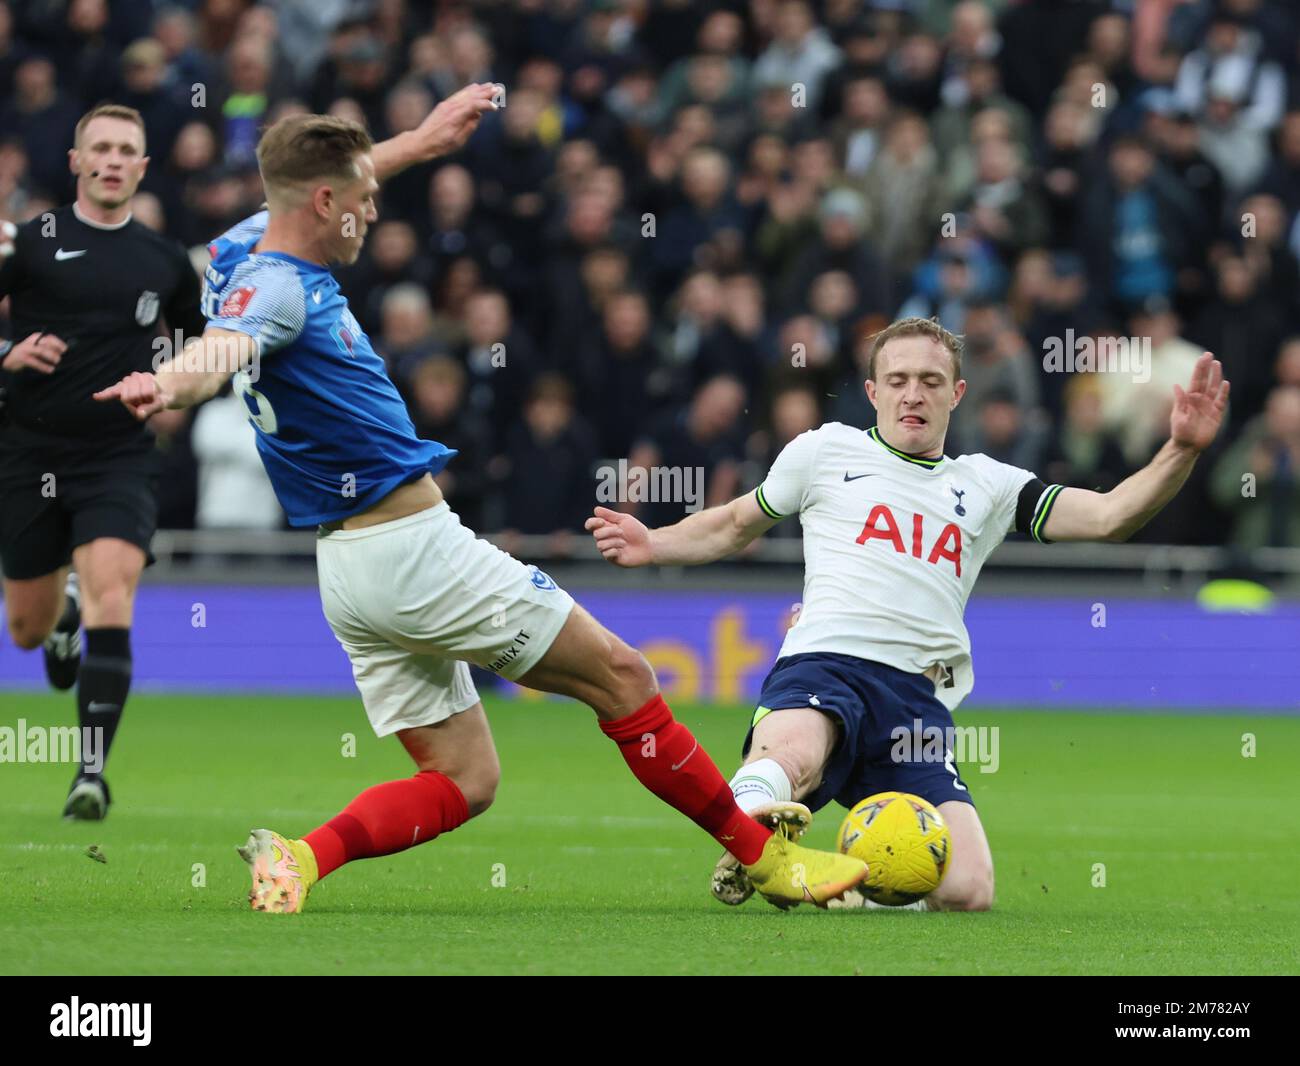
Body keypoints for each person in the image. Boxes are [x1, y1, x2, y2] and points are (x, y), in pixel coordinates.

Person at [94, 88, 867, 915]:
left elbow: (307, 212)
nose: (371, 214)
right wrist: (169, 383)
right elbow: (221, 352)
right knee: (623, 675)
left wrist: (422, 142)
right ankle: (765, 859)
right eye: (362, 202)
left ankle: (299, 860)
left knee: (466, 778)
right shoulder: (282, 289)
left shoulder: (245, 248)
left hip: (349, 568)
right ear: (325, 204)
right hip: (413, 552)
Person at [586, 316, 1230, 911]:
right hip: (826, 661)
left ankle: (841, 883)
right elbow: (733, 524)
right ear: (872, 391)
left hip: (916, 702)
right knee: (793, 751)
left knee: (969, 890)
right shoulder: (824, 451)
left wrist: (1182, 449)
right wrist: (655, 542)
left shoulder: (991, 485)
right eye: (897, 380)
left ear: (957, 393)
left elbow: (1112, 516)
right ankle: (750, 833)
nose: (913, 395)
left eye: (930, 381)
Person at [0, 103, 207, 820]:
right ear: (77, 162)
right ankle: (55, 618)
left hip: (118, 455)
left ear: (144, 167)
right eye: (102, 148)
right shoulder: (28, 242)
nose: (114, 160)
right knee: (23, 629)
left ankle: (90, 774)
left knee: (111, 596)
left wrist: (172, 385)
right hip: (26, 451)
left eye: (128, 150)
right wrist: (8, 354)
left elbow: (204, 341)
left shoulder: (165, 261)